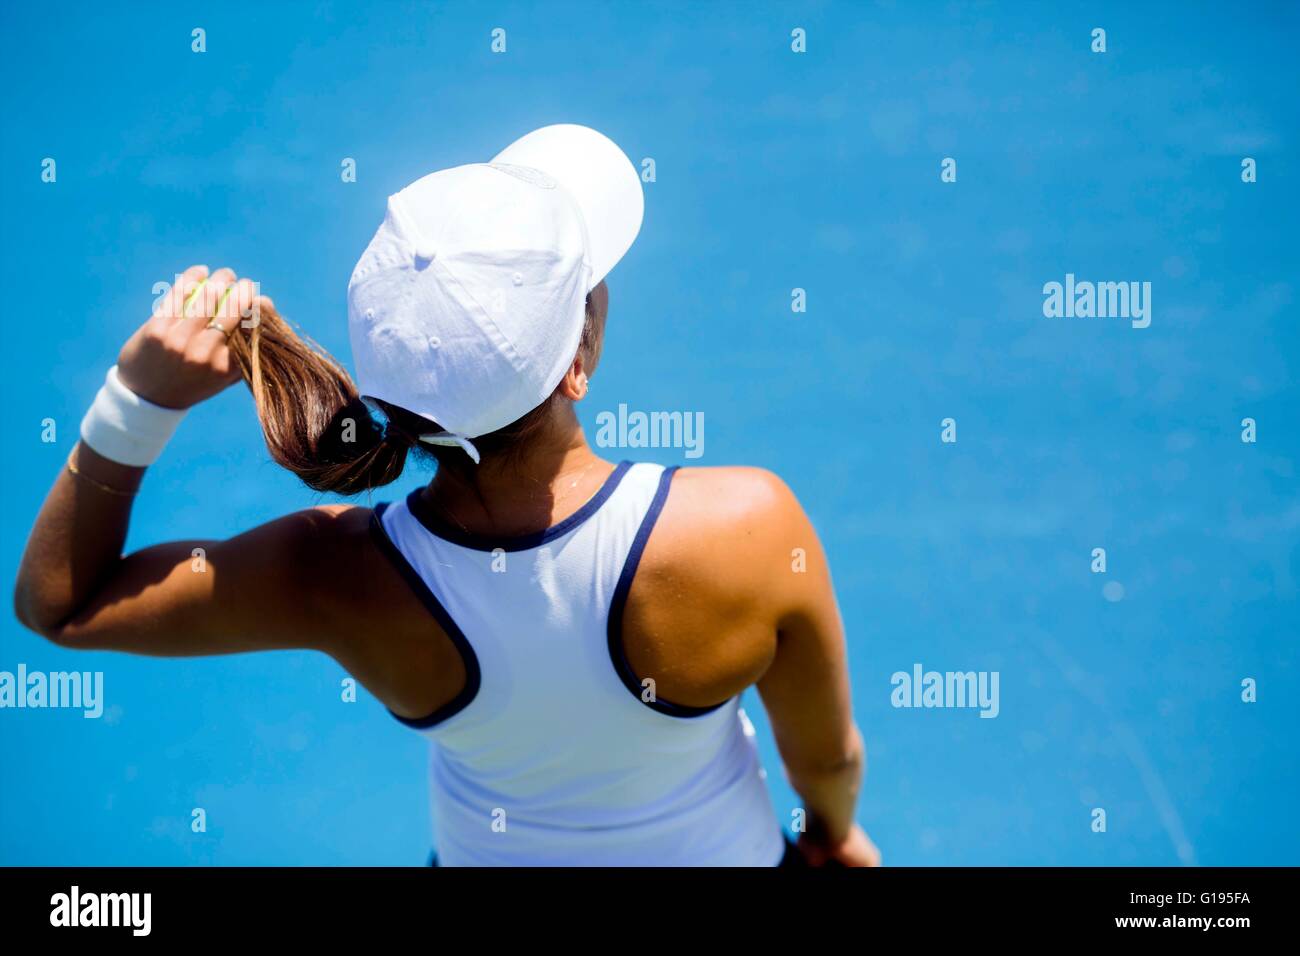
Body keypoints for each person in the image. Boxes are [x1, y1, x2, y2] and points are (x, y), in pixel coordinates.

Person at [14, 125, 878, 867]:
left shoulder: (334, 575)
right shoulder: (750, 528)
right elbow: (828, 761)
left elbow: (63, 603)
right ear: (577, 362)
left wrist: (136, 404)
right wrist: (835, 836)